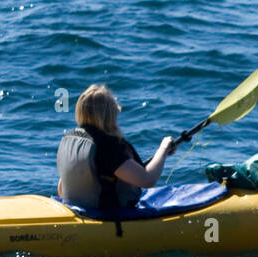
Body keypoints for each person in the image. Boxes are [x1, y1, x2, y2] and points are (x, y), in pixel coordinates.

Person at [56, 84, 177, 212]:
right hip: (106, 217)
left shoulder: (70, 140)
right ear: (110, 115)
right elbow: (147, 180)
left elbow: (61, 191)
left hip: (75, 211)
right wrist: (163, 149)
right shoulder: (107, 145)